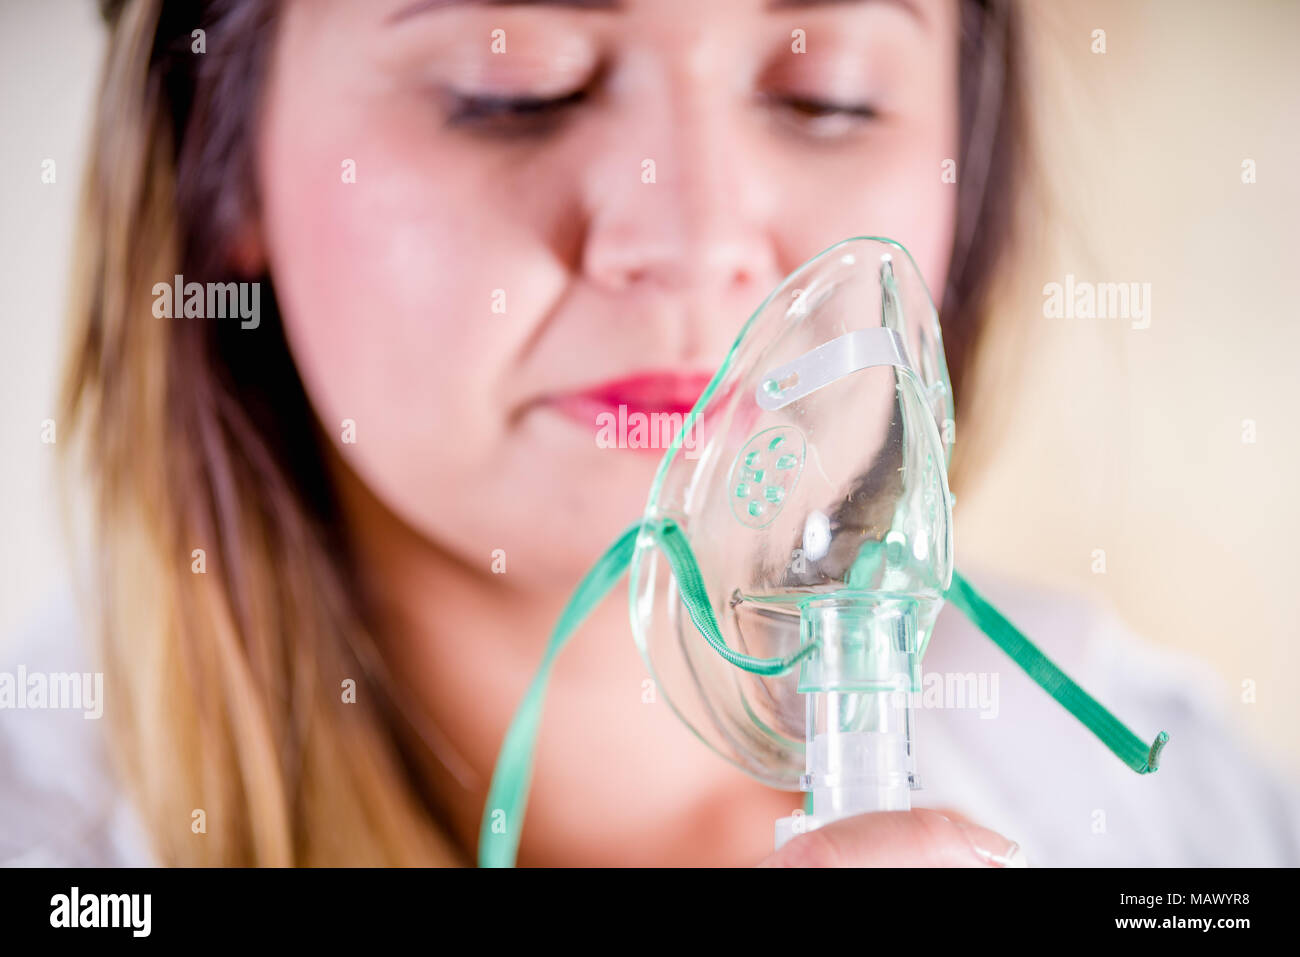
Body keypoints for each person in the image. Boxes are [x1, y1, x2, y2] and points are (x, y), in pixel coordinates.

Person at [3, 0, 1297, 867]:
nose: (690, 247)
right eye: (511, 86)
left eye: (827, 96)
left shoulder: (1171, 816)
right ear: (213, 156)